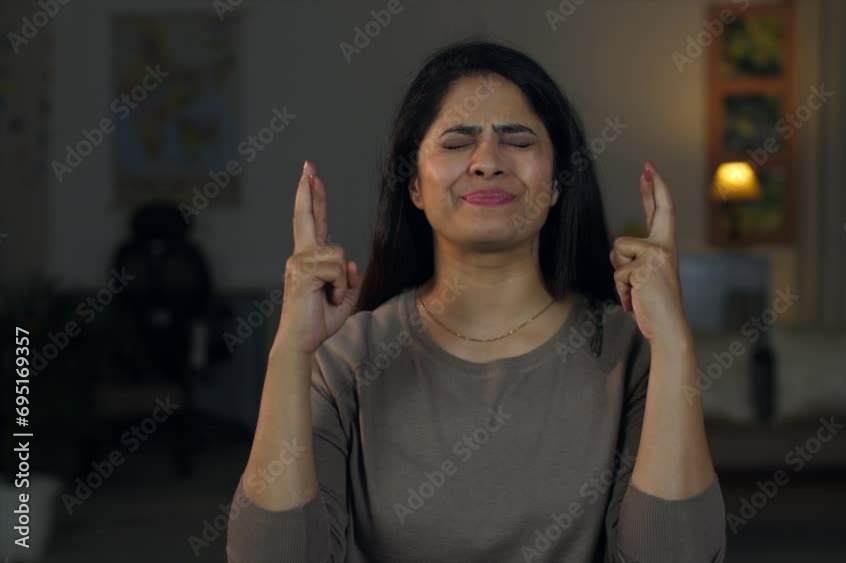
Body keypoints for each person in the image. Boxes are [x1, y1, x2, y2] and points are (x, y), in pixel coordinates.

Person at [226, 39, 726, 563]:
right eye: (457, 142)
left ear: (556, 183)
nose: (487, 162)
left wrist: (674, 345)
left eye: (518, 140)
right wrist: (289, 351)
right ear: (414, 185)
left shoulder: (630, 352)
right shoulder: (346, 357)